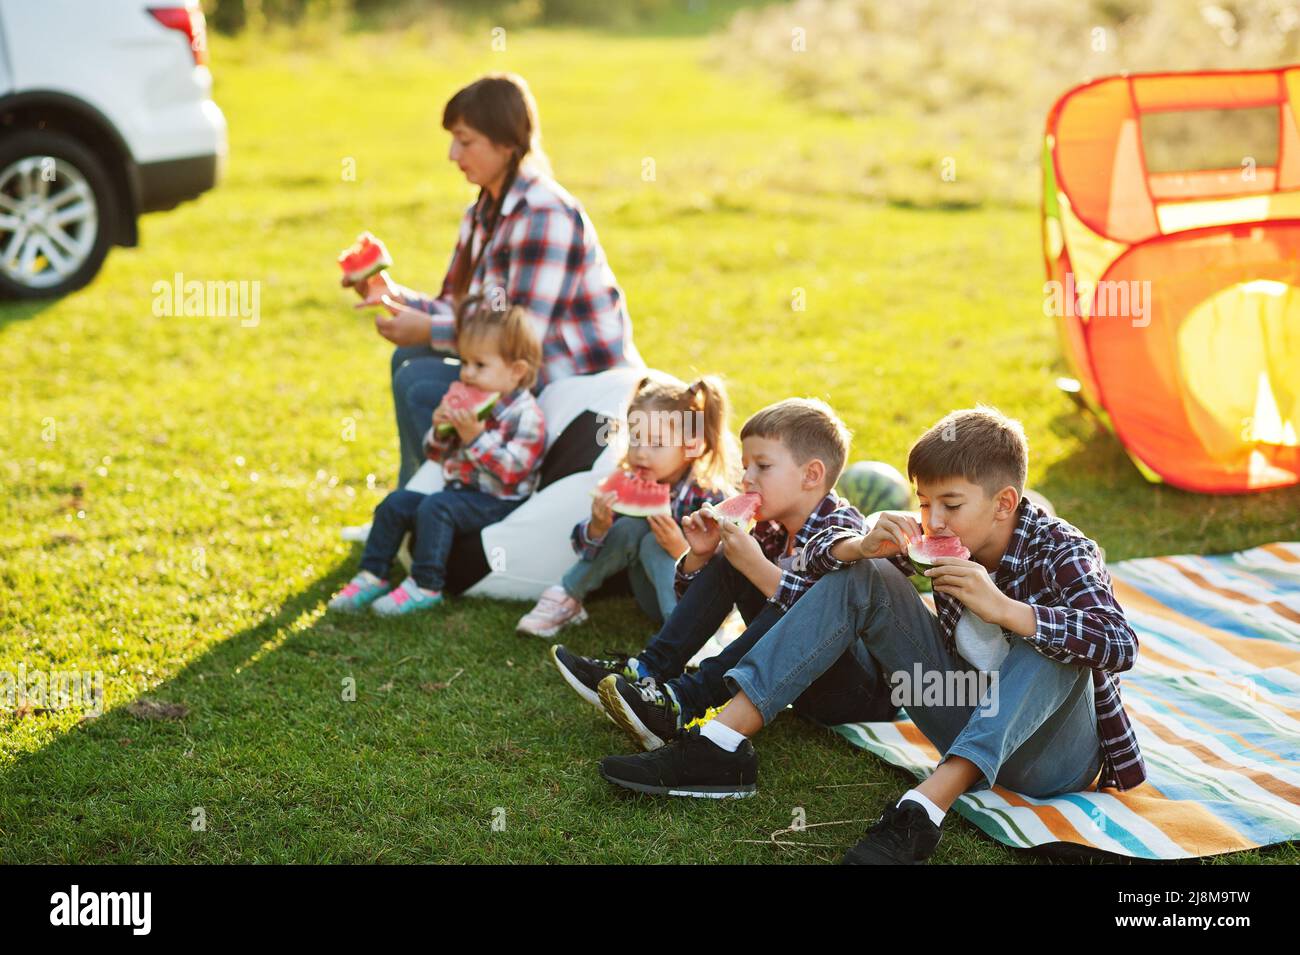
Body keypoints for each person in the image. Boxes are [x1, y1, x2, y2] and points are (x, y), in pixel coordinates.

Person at [599, 406, 1147, 865]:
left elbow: (1119, 642)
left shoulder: (1062, 548)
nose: (933, 521)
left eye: (950, 505)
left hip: (1053, 758)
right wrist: (861, 546)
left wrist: (1007, 610)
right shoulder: (936, 533)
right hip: (962, 717)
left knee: (1055, 639)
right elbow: (813, 572)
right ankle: (718, 745)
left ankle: (922, 810)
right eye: (925, 502)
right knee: (866, 575)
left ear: (1005, 502)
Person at [341, 72, 643, 488]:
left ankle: (445, 502)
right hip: (517, 369)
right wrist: (393, 296)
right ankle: (411, 502)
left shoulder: (543, 213)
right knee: (405, 359)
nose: (451, 154)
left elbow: (524, 335)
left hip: (569, 382)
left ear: (506, 144)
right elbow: (459, 305)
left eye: (465, 141)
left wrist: (428, 328)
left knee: (416, 379)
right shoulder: (482, 212)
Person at [551, 398, 898, 739]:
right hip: (794, 686)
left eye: (762, 466)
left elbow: (817, 617)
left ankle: (681, 702)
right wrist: (699, 556)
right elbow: (692, 605)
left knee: (776, 594)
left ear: (811, 475)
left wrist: (755, 565)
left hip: (855, 695)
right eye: (745, 466)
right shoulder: (769, 526)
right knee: (727, 562)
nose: (746, 478)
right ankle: (648, 670)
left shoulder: (841, 525)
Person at [328, 296, 545, 616]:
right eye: (464, 363)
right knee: (395, 503)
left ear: (516, 371)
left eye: (479, 365)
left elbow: (512, 471)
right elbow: (436, 455)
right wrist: (440, 430)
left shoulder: (526, 416)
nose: (467, 374)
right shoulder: (472, 402)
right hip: (461, 493)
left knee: (436, 506)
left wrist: (475, 437)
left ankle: (426, 586)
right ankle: (372, 574)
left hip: (498, 501)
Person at [517, 372, 739, 637]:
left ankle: (684, 640)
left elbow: (726, 575)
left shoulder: (710, 497)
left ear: (693, 446)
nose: (641, 452)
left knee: (653, 542)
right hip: (652, 599)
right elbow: (584, 547)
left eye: (656, 443)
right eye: (635, 439)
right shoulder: (629, 480)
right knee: (630, 529)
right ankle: (566, 598)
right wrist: (598, 527)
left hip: (700, 609)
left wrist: (680, 548)